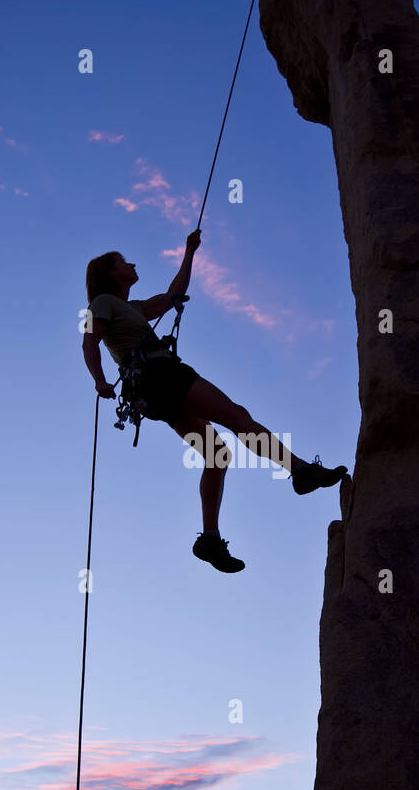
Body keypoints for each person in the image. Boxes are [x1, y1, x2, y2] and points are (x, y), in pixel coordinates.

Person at [82, 227, 348, 573]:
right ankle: (300, 471)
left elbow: (173, 294)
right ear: (110, 273)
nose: (130, 263)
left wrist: (189, 252)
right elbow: (89, 342)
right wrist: (99, 381)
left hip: (151, 393)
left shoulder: (130, 306)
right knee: (237, 416)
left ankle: (209, 537)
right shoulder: (101, 304)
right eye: (122, 262)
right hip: (160, 376)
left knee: (216, 453)